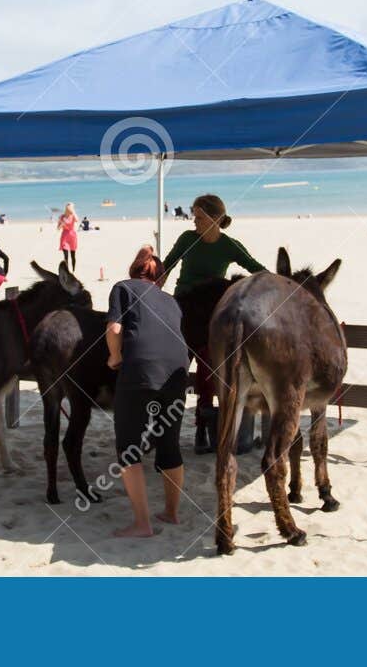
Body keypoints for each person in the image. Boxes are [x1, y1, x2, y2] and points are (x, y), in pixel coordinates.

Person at [156, 194, 266, 455]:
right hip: (182, 311)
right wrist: (150, 293)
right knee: (175, 372)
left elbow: (257, 270)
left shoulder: (229, 245)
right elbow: (165, 267)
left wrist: (281, 286)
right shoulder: (187, 239)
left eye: (199, 217)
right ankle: (164, 431)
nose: (194, 221)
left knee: (207, 372)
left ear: (216, 218)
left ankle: (201, 430)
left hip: (211, 316)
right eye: (194, 216)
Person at [105, 245, 188, 538]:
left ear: (133, 271)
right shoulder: (171, 301)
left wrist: (114, 357)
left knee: (129, 447)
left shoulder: (123, 288)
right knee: (170, 443)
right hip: (178, 370)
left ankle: (142, 524)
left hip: (140, 369)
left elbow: (114, 329)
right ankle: (171, 513)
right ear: (160, 278)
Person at [58, 202, 78, 269]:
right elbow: (58, 228)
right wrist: (62, 224)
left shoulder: (73, 215)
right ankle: (67, 271)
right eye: (68, 208)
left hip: (72, 236)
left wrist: (73, 211)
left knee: (73, 256)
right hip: (64, 236)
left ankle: (73, 270)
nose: (69, 209)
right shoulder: (62, 216)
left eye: (70, 208)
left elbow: (77, 220)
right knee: (66, 256)